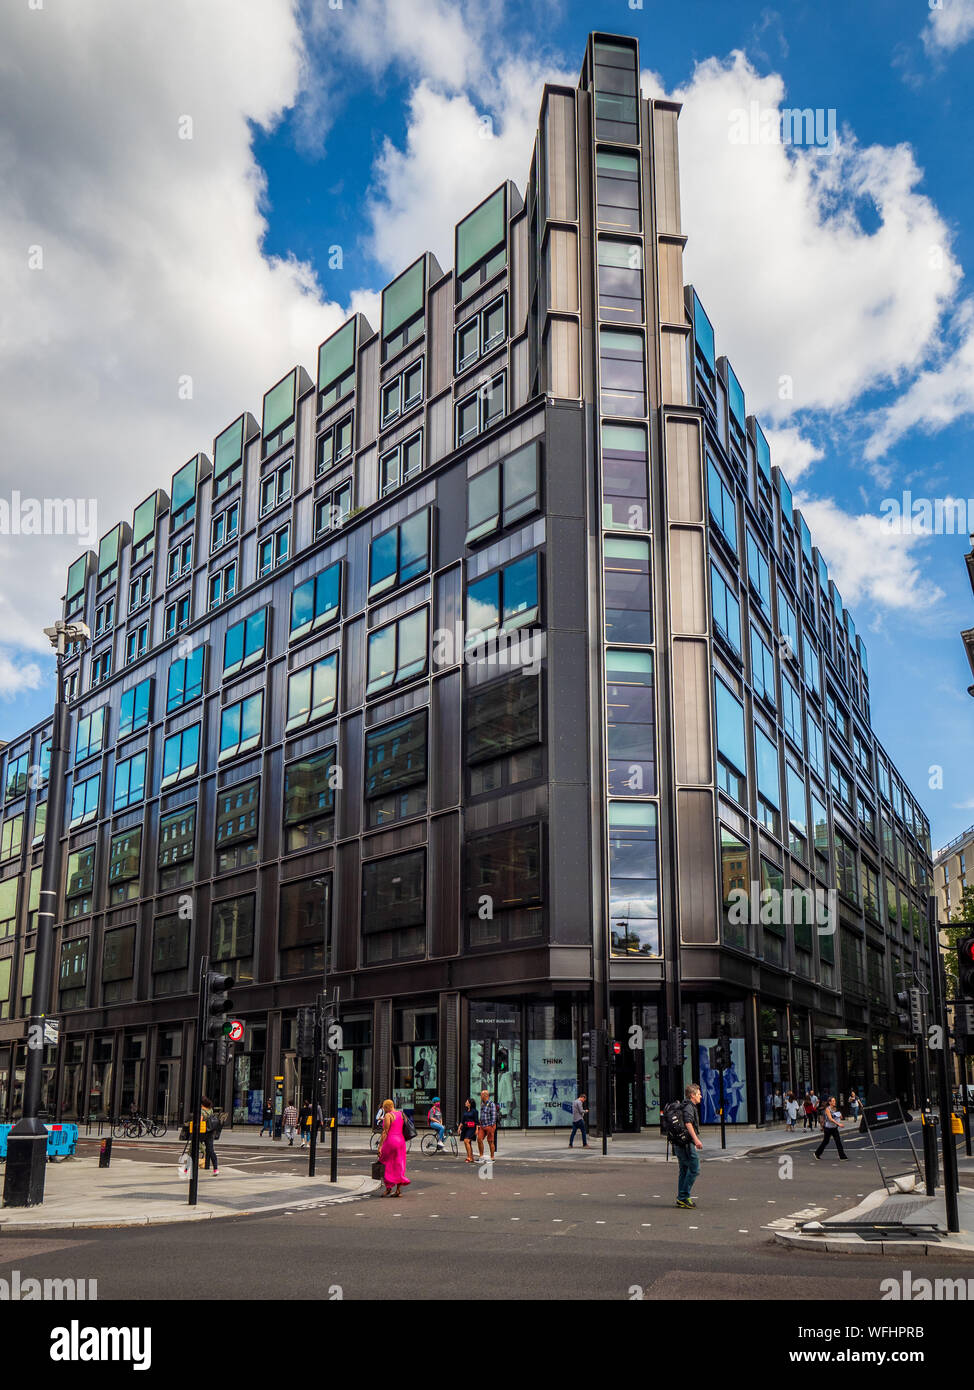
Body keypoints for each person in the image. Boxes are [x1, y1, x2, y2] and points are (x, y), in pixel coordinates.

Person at [673, 1083, 704, 1209]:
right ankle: (683, 1197)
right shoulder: (689, 1107)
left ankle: (682, 1198)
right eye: (698, 1094)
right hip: (686, 1144)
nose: (700, 1096)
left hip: (679, 1143)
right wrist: (696, 1140)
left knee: (684, 1170)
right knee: (695, 1169)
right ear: (692, 1095)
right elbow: (688, 1123)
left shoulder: (684, 1106)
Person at [377, 1097, 410, 1196]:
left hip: (391, 1141)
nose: (384, 1110)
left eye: (384, 1108)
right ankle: (398, 1190)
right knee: (399, 1164)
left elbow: (385, 1132)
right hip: (401, 1141)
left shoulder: (388, 1115)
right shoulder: (401, 1114)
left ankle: (388, 1188)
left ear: (387, 1107)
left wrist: (380, 1146)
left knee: (386, 1163)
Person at [814, 1096, 848, 1160]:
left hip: (834, 1128)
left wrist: (840, 1115)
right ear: (829, 1102)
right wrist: (839, 1124)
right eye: (833, 1101)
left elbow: (841, 1117)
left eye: (834, 1101)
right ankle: (817, 1153)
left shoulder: (836, 1108)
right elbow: (830, 1119)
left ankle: (842, 1157)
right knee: (825, 1141)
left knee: (838, 1141)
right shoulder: (827, 1109)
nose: (834, 1102)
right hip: (828, 1128)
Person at [199, 1096, 219, 1175]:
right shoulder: (210, 1109)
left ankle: (187, 1168)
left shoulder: (201, 1111)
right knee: (210, 1150)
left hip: (202, 1132)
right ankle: (215, 1168)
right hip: (210, 1132)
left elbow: (200, 1121)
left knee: (192, 1149)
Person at [477, 1089, 498, 1160]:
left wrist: (492, 1125)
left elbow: (494, 1115)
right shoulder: (482, 1104)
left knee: (490, 1141)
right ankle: (481, 1156)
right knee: (479, 1139)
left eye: (481, 1095)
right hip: (482, 1126)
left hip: (489, 1125)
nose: (480, 1096)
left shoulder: (491, 1104)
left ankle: (492, 1157)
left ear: (485, 1095)